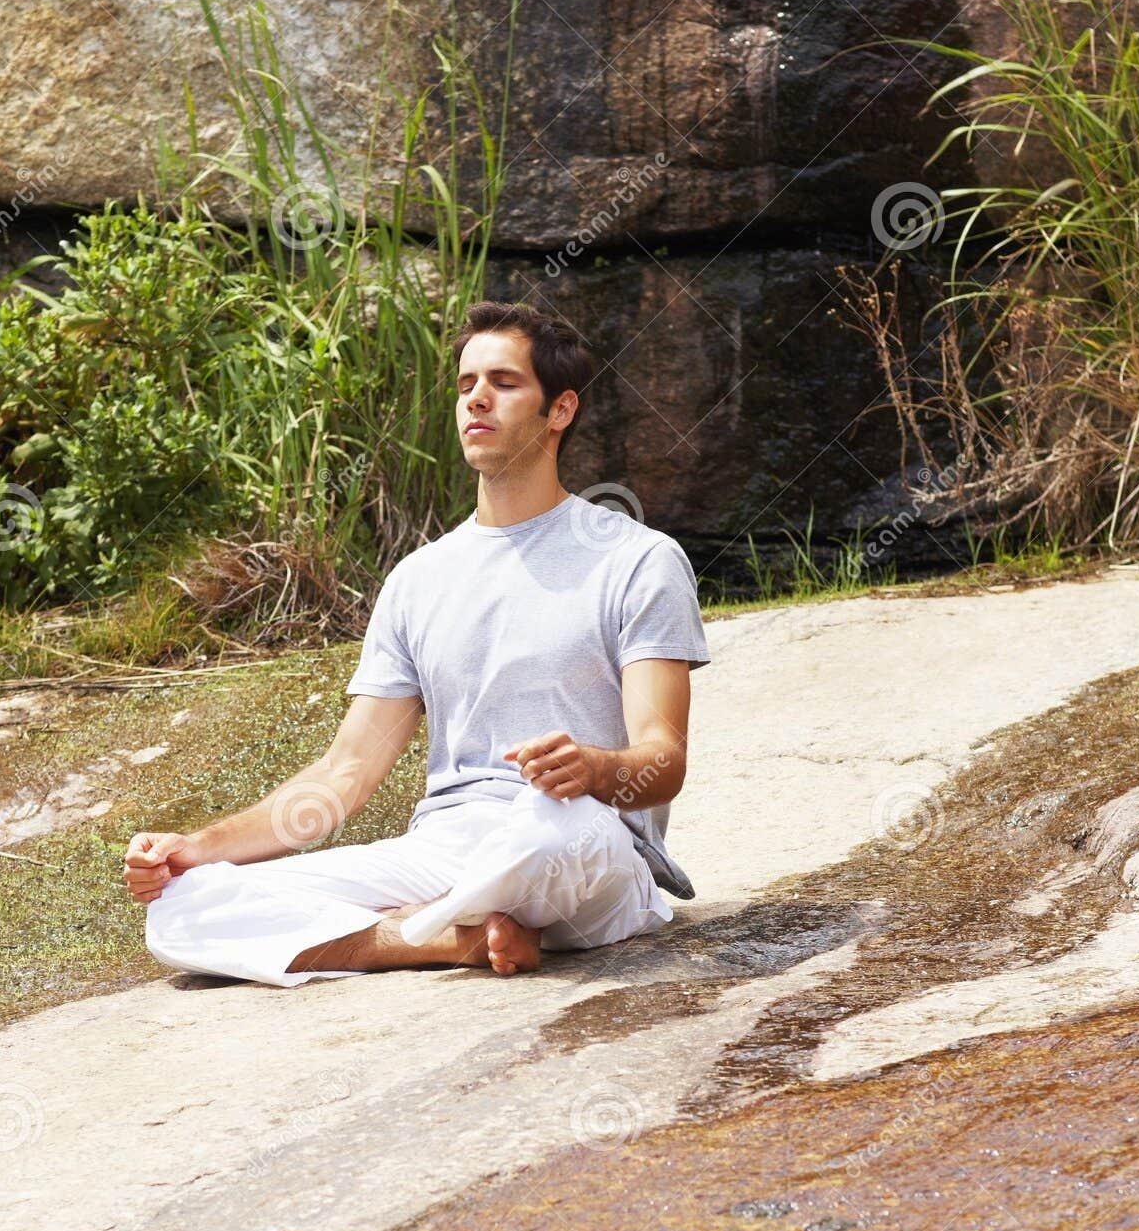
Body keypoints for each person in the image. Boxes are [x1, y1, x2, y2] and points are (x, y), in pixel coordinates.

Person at [124, 299, 711, 987]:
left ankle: (441, 918)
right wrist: (195, 849)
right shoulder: (419, 579)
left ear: (561, 410)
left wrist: (593, 769)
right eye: (465, 385)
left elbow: (662, 761)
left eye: (504, 382)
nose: (477, 399)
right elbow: (344, 774)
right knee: (180, 910)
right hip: (449, 846)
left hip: (586, 843)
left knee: (547, 827)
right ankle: (453, 938)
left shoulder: (638, 559)